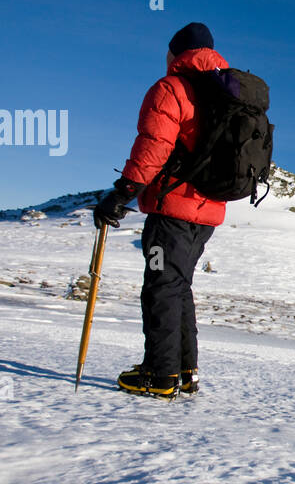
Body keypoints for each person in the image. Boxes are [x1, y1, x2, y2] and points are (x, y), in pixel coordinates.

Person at [93, 22, 230, 399]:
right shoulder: (223, 93)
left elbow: (153, 145)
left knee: (160, 289)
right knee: (178, 287)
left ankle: (161, 374)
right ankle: (185, 371)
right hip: (207, 215)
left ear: (176, 53)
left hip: (173, 210)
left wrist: (123, 192)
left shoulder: (172, 89)